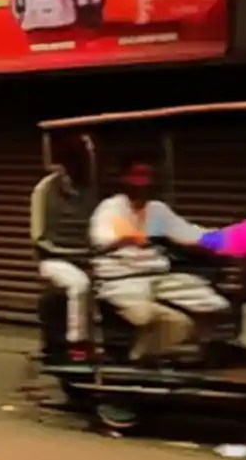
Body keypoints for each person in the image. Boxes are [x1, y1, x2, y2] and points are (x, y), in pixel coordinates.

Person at [89, 153, 229, 362]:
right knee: (164, 320)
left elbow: (187, 233)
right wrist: (128, 238)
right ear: (124, 178)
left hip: (157, 275)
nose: (144, 181)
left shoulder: (157, 210)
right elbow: (101, 238)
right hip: (122, 280)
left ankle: (199, 351)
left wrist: (222, 239)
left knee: (213, 303)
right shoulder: (111, 208)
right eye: (138, 175)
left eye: (148, 175)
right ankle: (139, 359)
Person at [34, 160, 92, 356]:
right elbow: (38, 237)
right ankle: (77, 343)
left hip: (87, 257)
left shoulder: (89, 192)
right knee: (79, 284)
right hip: (55, 258)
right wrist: (74, 253)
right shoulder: (45, 190)